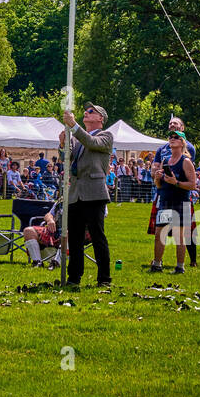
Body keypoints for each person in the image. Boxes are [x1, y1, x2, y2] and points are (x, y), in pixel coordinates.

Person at [59, 103, 113, 288]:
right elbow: (67, 158)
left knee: (98, 236)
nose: (86, 113)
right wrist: (62, 144)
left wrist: (74, 126)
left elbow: (92, 143)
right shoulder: (77, 137)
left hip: (94, 192)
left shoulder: (106, 136)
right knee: (74, 238)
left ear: (101, 119)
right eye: (85, 111)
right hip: (75, 193)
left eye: (91, 112)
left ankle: (104, 278)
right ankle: (74, 277)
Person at [151, 117, 198, 265]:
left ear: (182, 140)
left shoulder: (186, 159)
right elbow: (158, 184)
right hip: (164, 199)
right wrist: (158, 178)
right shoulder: (164, 158)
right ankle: (157, 264)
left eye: (176, 137)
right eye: (170, 137)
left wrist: (175, 182)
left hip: (180, 200)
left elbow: (192, 184)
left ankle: (181, 266)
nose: (172, 138)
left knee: (180, 236)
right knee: (159, 233)